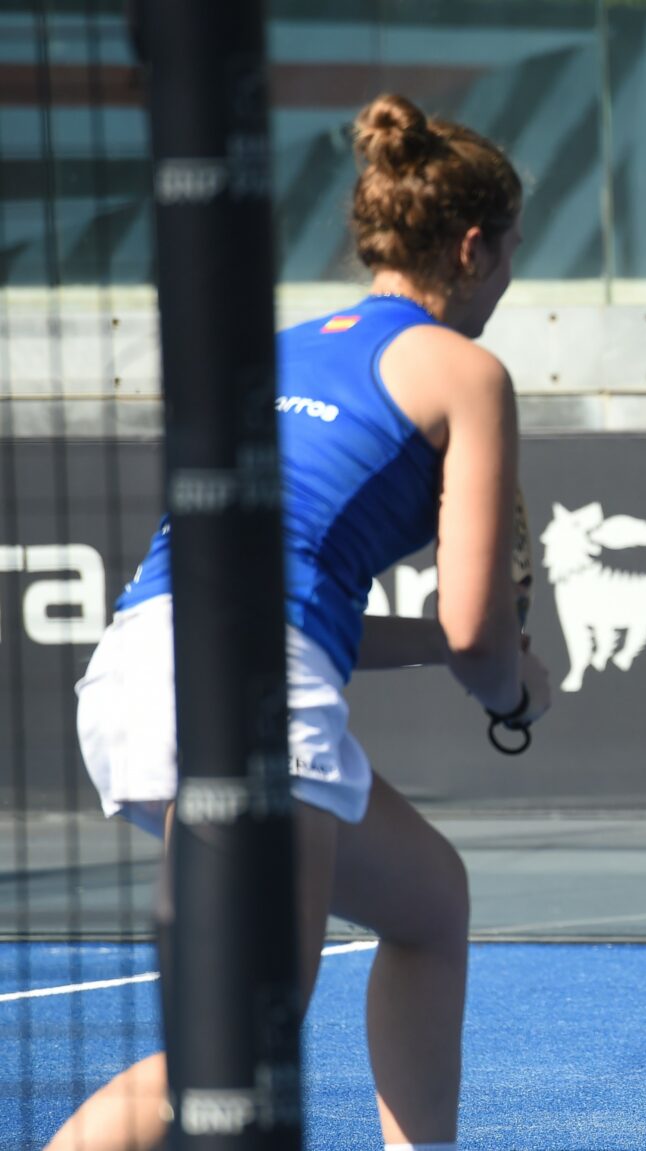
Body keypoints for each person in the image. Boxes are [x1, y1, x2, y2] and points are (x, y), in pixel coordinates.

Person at [48, 93, 550, 1151]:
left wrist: (446, 646)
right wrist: (516, 691)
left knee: (429, 902)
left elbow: (311, 606)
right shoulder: (467, 372)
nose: (509, 277)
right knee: (225, 1059)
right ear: (472, 247)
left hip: (139, 672)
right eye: (511, 251)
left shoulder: (274, 349)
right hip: (253, 705)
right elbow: (478, 638)